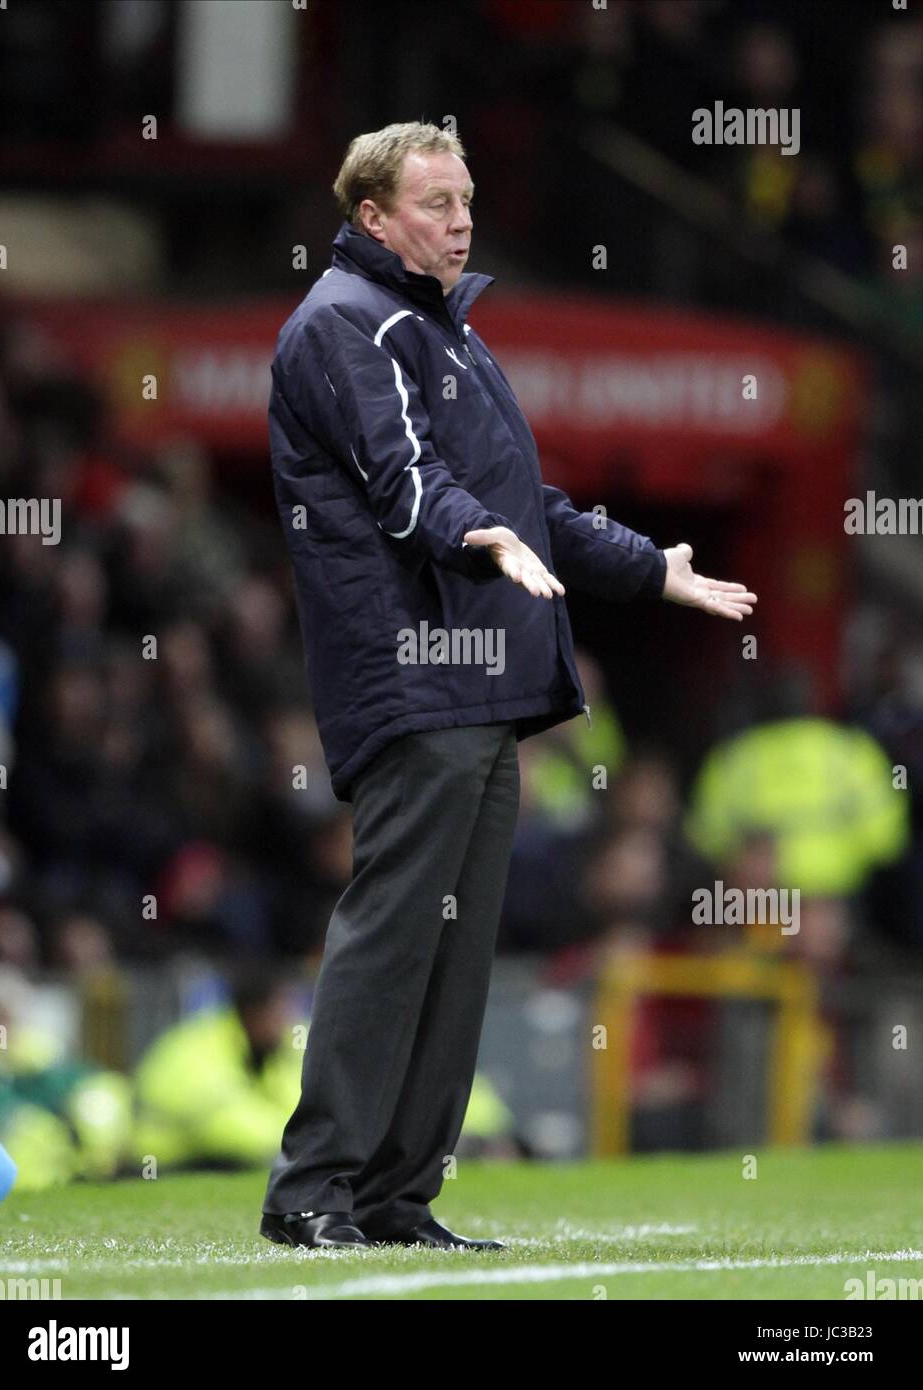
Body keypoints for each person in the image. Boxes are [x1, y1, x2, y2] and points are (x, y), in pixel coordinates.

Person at [262, 121, 757, 1251]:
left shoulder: (449, 336)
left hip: (479, 684)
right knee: (394, 935)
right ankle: (313, 1191)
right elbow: (407, 482)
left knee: (453, 947)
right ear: (373, 217)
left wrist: (652, 569)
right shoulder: (346, 322)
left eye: (469, 199)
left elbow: (535, 506)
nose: (462, 220)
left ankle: (395, 1196)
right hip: (414, 670)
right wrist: (478, 531)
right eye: (436, 203)